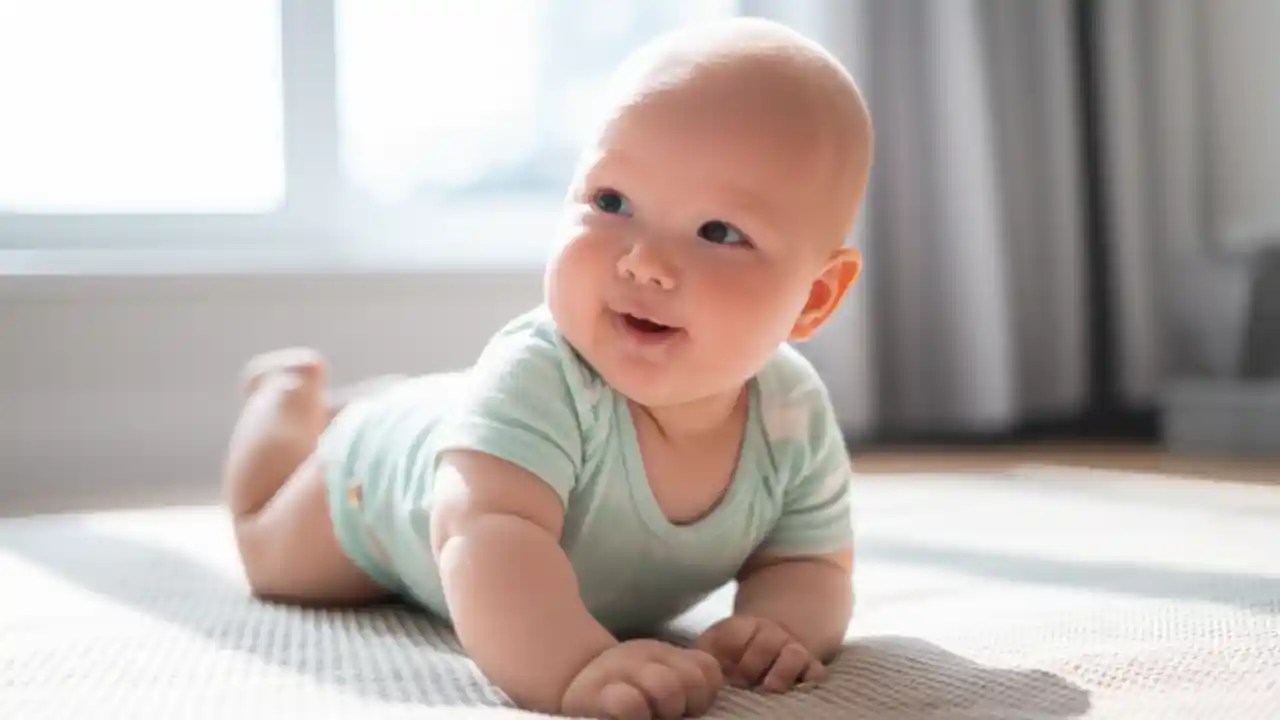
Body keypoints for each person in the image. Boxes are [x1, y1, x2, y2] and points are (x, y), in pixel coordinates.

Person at [222, 17, 873, 720]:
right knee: (271, 558)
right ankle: (286, 397)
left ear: (814, 297)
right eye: (611, 202)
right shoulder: (541, 377)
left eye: (719, 232)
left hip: (464, 417)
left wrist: (777, 627)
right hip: (375, 487)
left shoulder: (791, 413)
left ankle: (392, 398)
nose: (643, 261)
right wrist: (576, 665)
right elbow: (488, 539)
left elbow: (808, 564)